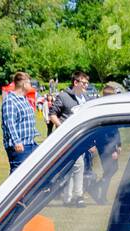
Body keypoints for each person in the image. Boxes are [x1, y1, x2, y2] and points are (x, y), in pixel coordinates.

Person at [51, 70, 92, 205]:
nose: (87, 85)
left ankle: (69, 197)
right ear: (76, 82)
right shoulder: (63, 96)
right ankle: (76, 196)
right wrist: (63, 128)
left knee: (76, 166)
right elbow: (52, 115)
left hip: (81, 137)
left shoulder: (86, 98)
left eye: (87, 83)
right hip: (68, 138)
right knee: (76, 165)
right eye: (84, 83)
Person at [1, 71, 39, 174]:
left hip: (30, 143)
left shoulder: (24, 98)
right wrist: (16, 141)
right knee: (18, 175)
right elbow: (9, 123)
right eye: (29, 83)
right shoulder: (10, 100)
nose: (31, 85)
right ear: (24, 83)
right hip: (19, 146)